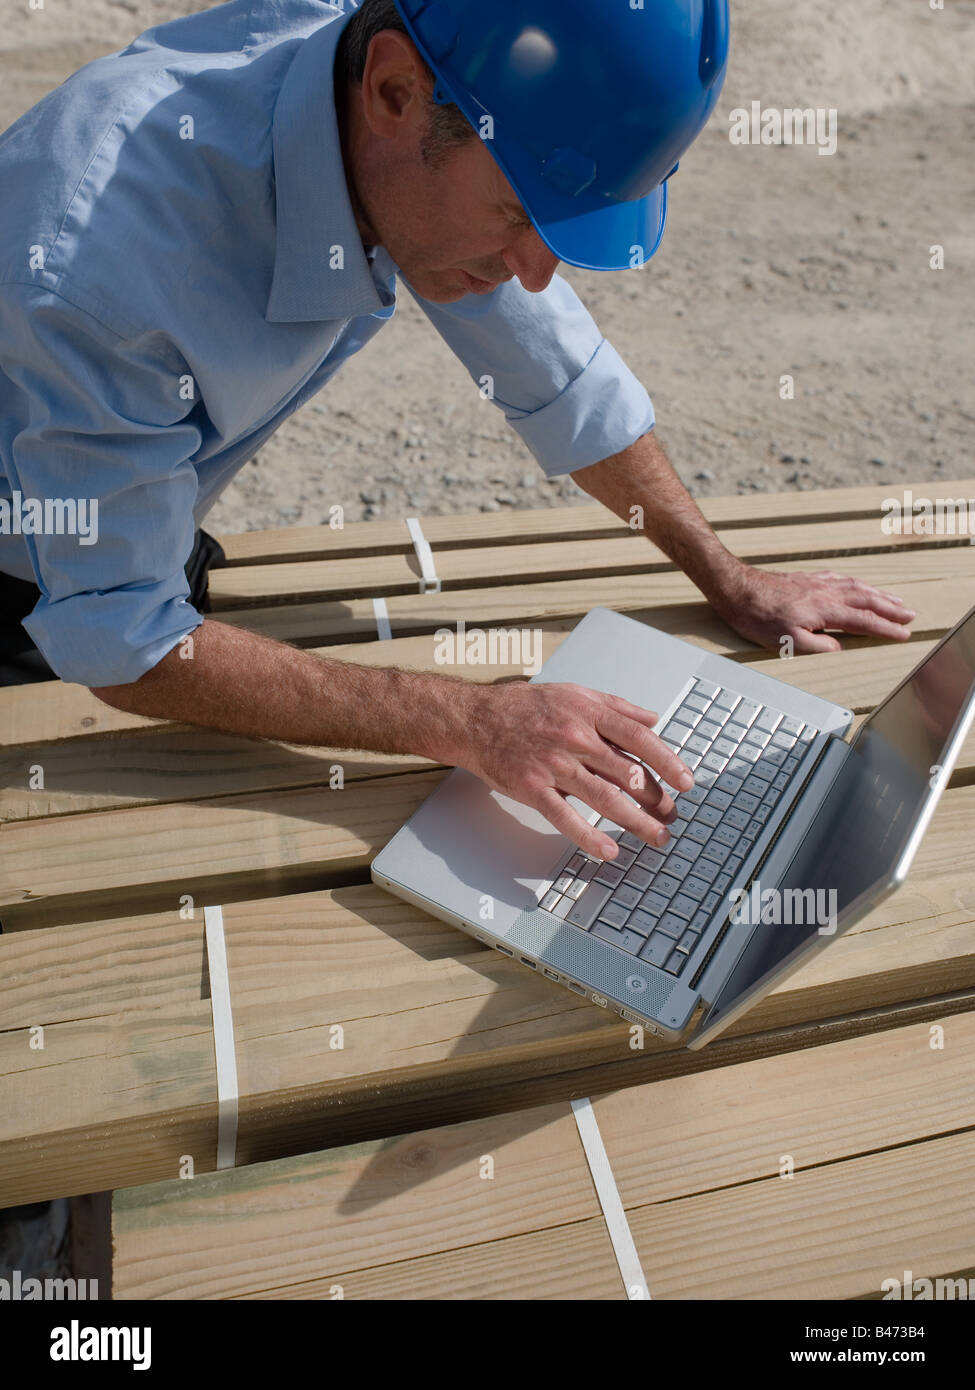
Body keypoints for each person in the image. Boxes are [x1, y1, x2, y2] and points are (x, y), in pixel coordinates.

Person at [0, 0, 914, 860]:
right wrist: (475, 721)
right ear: (394, 94)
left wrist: (726, 574)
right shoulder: (96, 271)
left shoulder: (394, 88)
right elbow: (122, 639)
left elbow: (552, 374)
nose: (536, 272)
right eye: (519, 216)